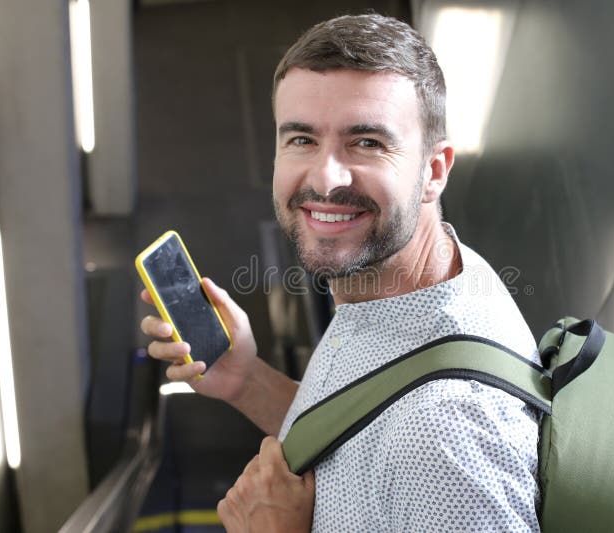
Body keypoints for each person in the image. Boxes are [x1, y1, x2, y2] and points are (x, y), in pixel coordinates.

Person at [141, 13, 541, 532]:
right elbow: (366, 434)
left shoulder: (445, 430)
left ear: (434, 171)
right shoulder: (395, 286)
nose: (326, 180)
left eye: (367, 142)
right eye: (302, 139)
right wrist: (247, 381)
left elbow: (408, 437)